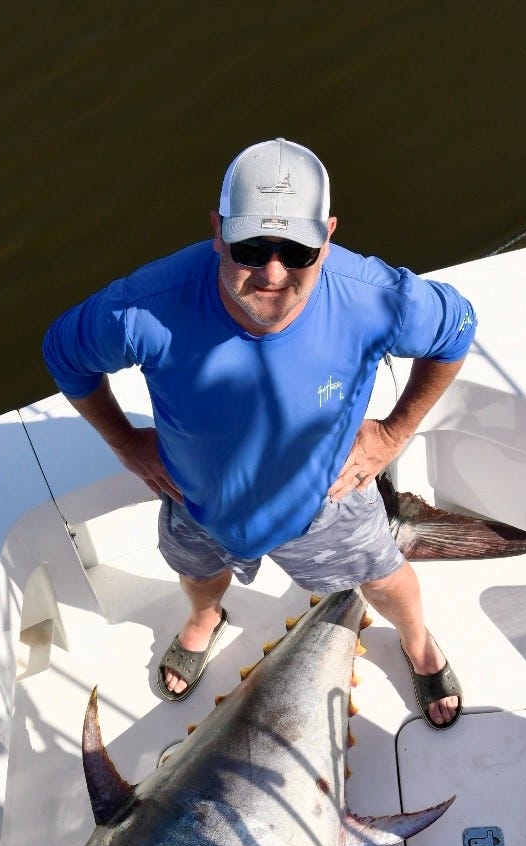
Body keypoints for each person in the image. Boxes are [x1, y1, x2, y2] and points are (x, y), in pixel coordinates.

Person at [42, 137, 477, 728]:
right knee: (197, 575)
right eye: (251, 248)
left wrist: (394, 433)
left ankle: (418, 641)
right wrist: (126, 443)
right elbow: (65, 354)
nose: (273, 273)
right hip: (196, 501)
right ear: (218, 230)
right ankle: (204, 620)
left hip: (328, 502)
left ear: (328, 234)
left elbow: (456, 332)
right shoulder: (143, 308)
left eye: (297, 250)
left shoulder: (378, 299)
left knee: (384, 575)